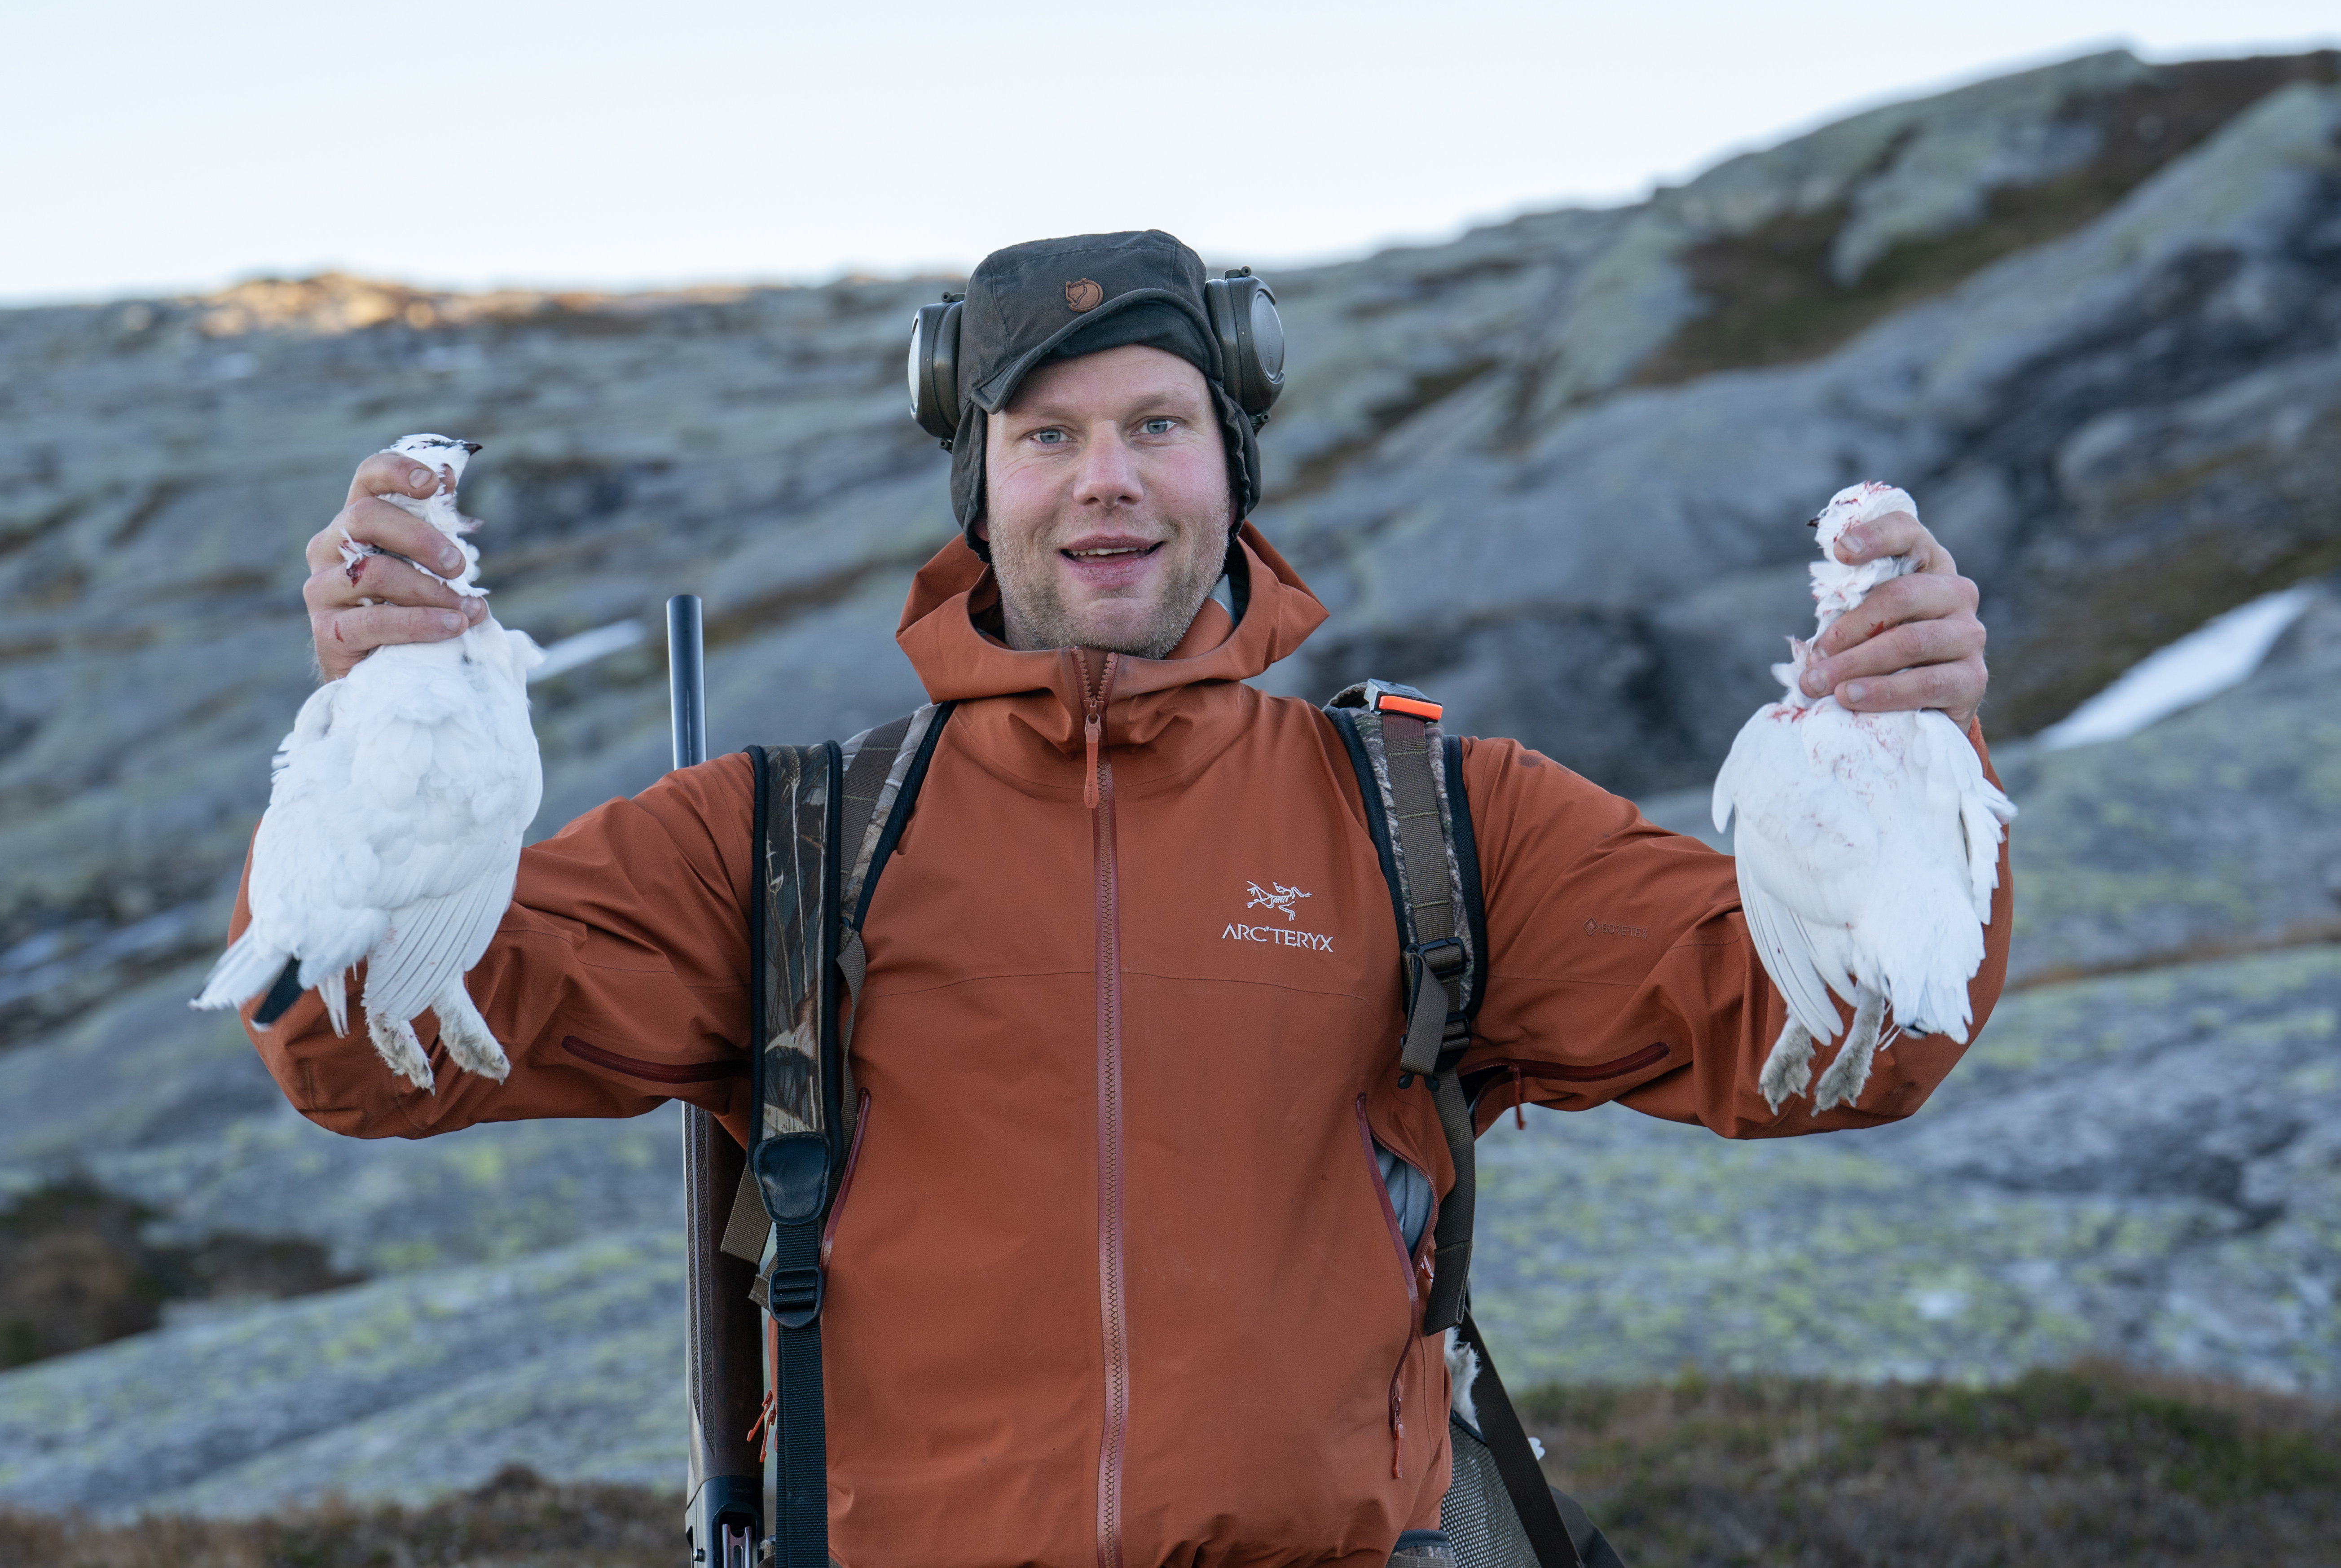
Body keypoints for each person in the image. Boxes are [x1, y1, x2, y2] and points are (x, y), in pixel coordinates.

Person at [243, 230, 2008, 1568]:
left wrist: (1902, 768)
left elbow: (1840, 1039)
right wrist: (379, 744)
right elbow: (374, 1060)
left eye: (1158, 423)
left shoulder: (1429, 821)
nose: (1105, 478)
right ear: (981, 485)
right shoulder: (778, 840)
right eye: (1046, 434)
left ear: (1229, 470)